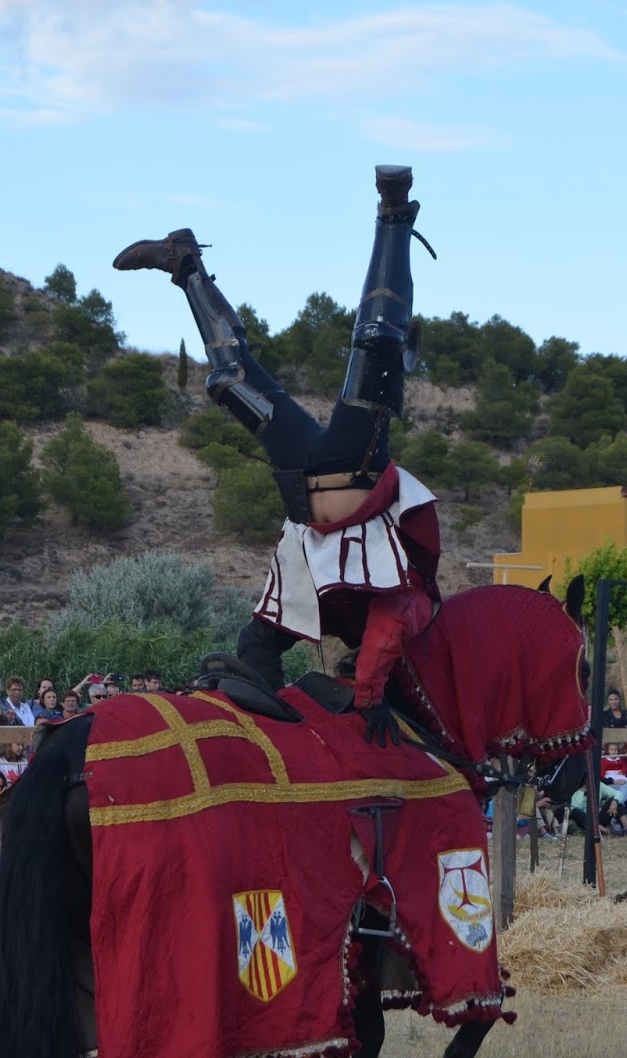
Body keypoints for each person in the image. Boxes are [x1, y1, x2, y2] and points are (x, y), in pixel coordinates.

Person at [114, 165, 441, 729]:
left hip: (301, 486)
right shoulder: (409, 599)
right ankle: (394, 213)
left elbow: (268, 636)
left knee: (229, 378)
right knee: (377, 344)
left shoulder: (325, 589)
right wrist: (368, 698)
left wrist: (257, 689)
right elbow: (389, 629)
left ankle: (186, 264)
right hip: (352, 468)